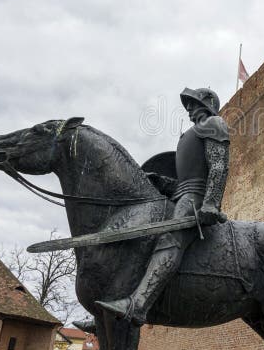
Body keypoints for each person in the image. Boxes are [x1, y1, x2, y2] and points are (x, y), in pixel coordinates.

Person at [95, 87, 229, 325]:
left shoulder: (214, 123)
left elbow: (218, 166)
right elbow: (183, 178)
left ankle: (138, 306)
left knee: (170, 241)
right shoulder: (189, 135)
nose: (188, 108)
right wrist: (161, 182)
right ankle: (105, 313)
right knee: (140, 244)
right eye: (187, 104)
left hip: (194, 200)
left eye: (193, 103)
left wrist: (211, 203)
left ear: (207, 103)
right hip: (178, 196)